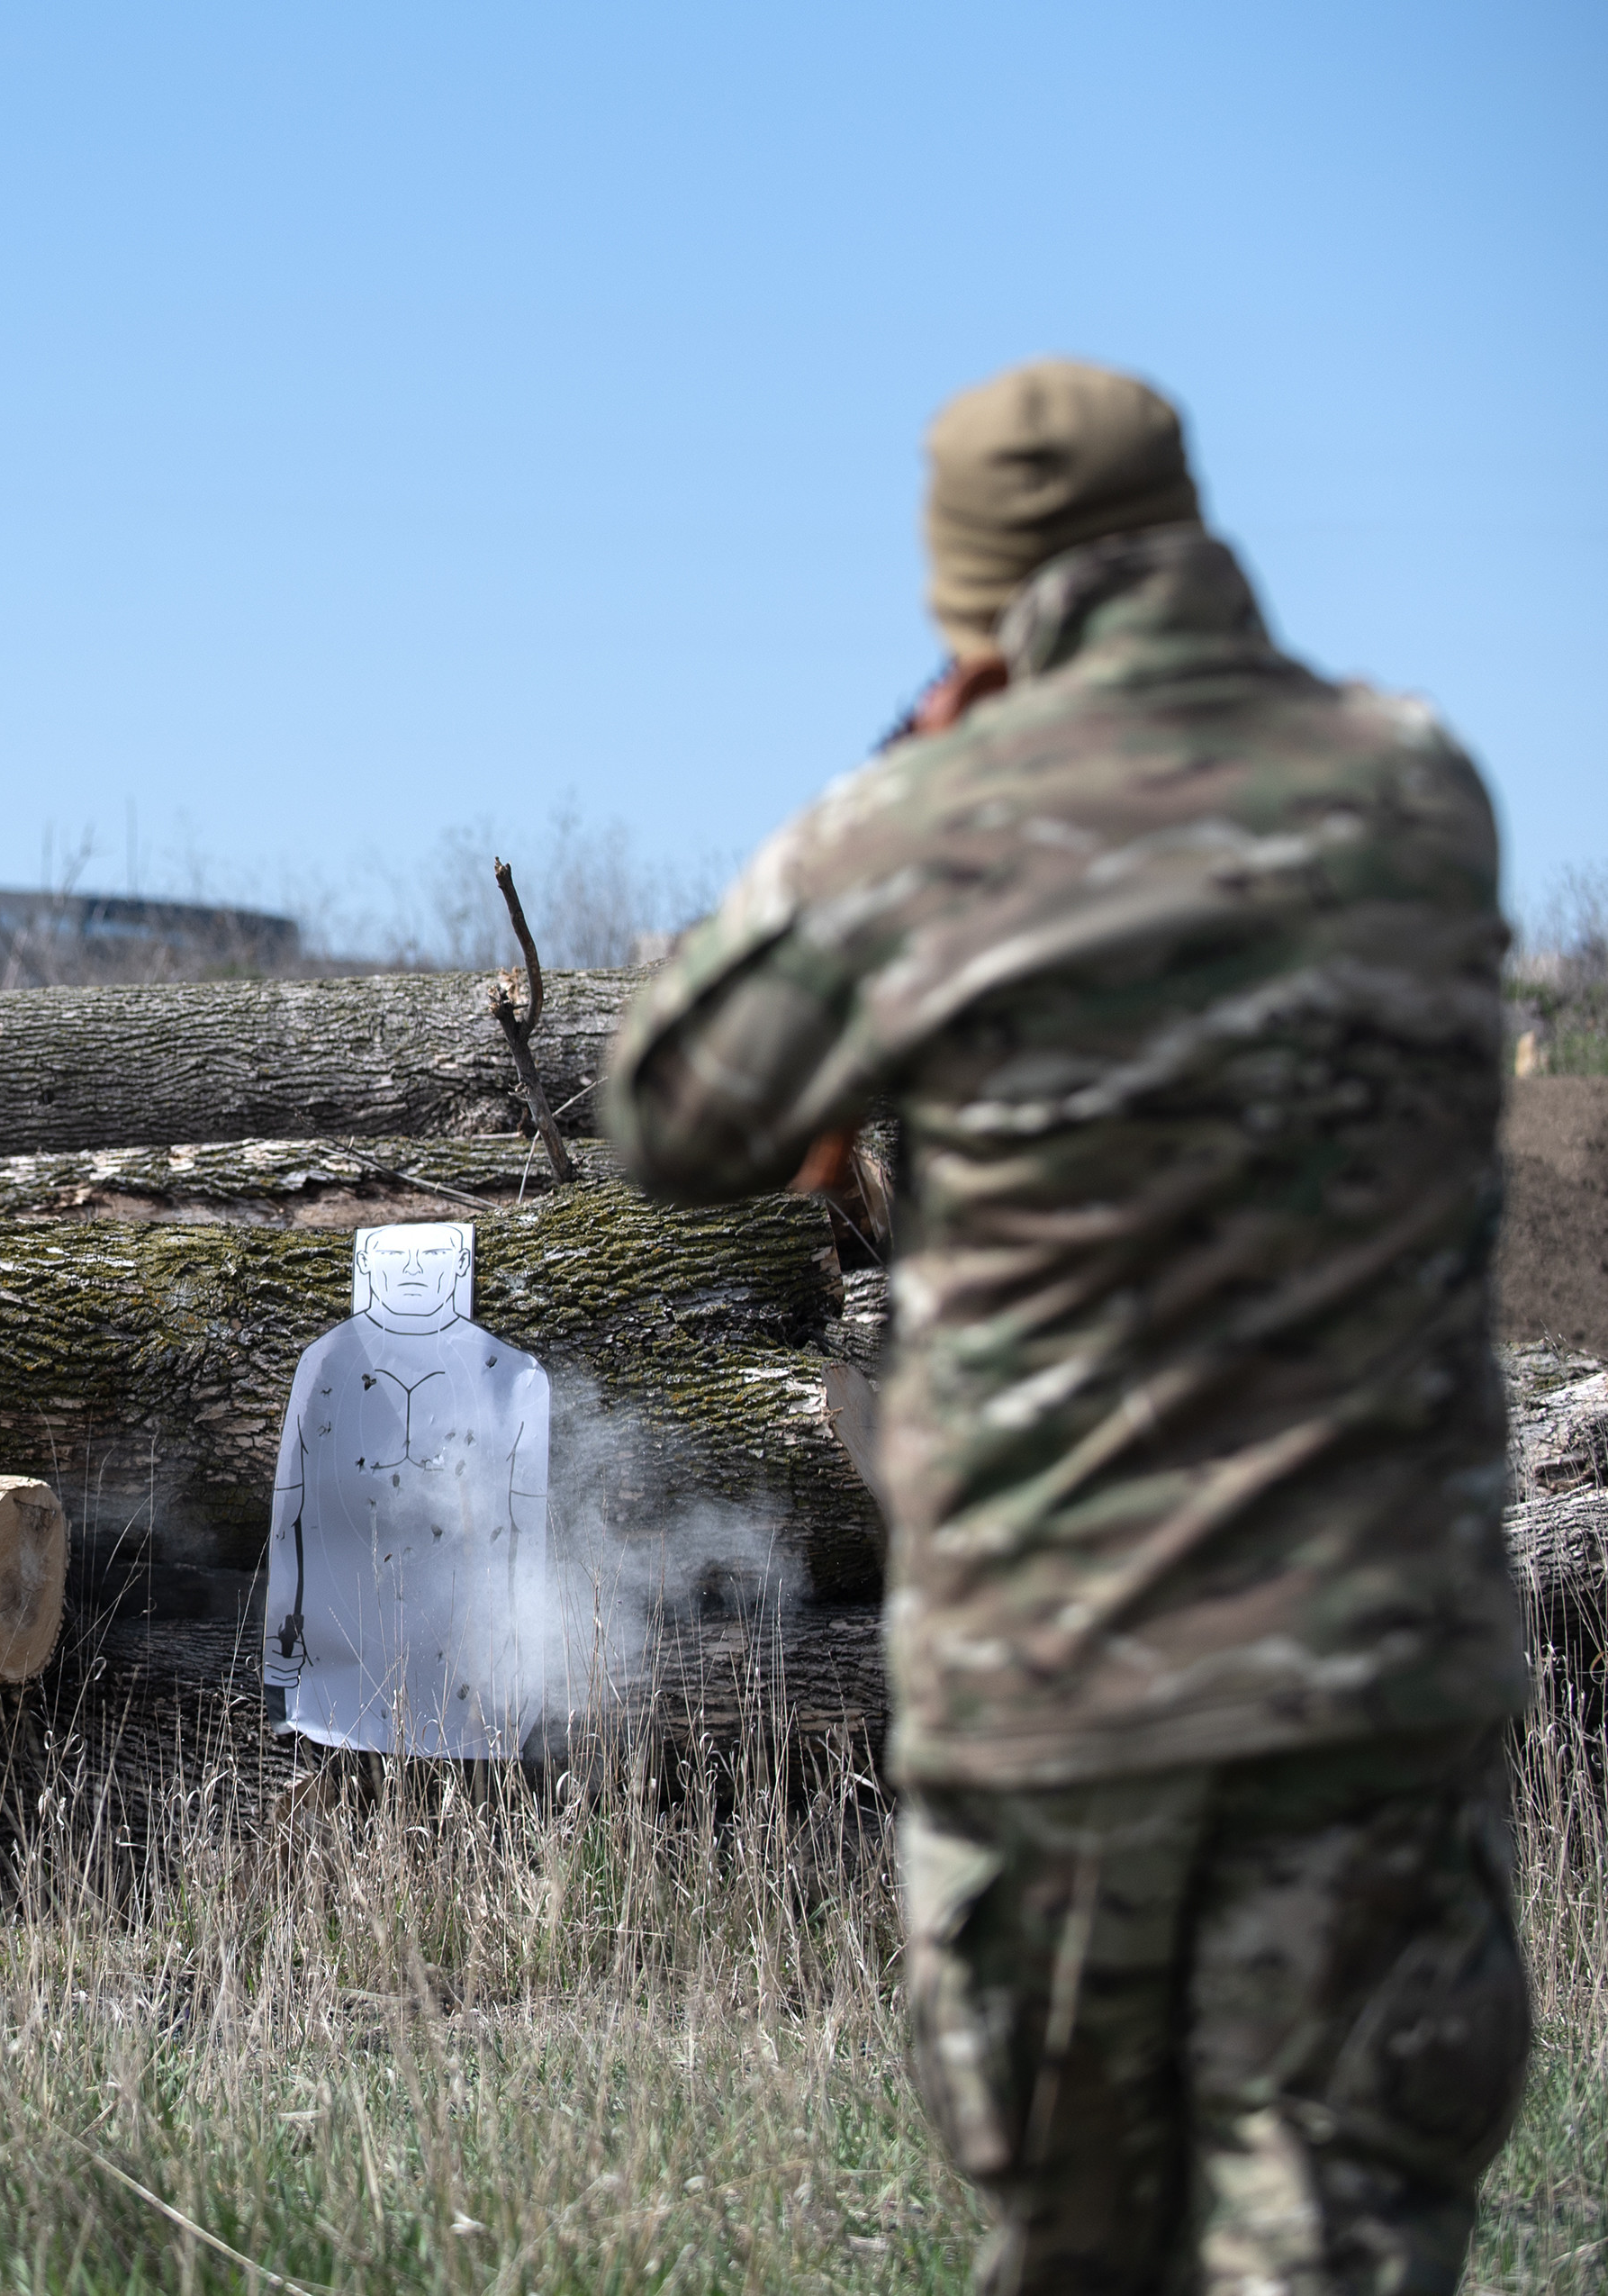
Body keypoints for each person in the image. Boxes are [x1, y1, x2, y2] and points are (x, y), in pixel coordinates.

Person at [601, 360, 1531, 2294]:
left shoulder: (924, 826)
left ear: (970, 603)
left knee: (1076, 2252)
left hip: (1063, 1687)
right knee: (1346, 2246)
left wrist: (896, 766)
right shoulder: (1416, 781)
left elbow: (669, 1113)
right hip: (1375, 1676)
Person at [263, 1221, 551, 1761]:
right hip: (347, 1644)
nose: (415, 1270)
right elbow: (290, 1518)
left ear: (461, 1264)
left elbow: (525, 1535)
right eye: (400, 1261)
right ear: (367, 1267)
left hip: (466, 1673)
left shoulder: (514, 1373)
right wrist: (284, 1662)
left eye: (436, 1255)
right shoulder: (324, 1363)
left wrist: (521, 1674)